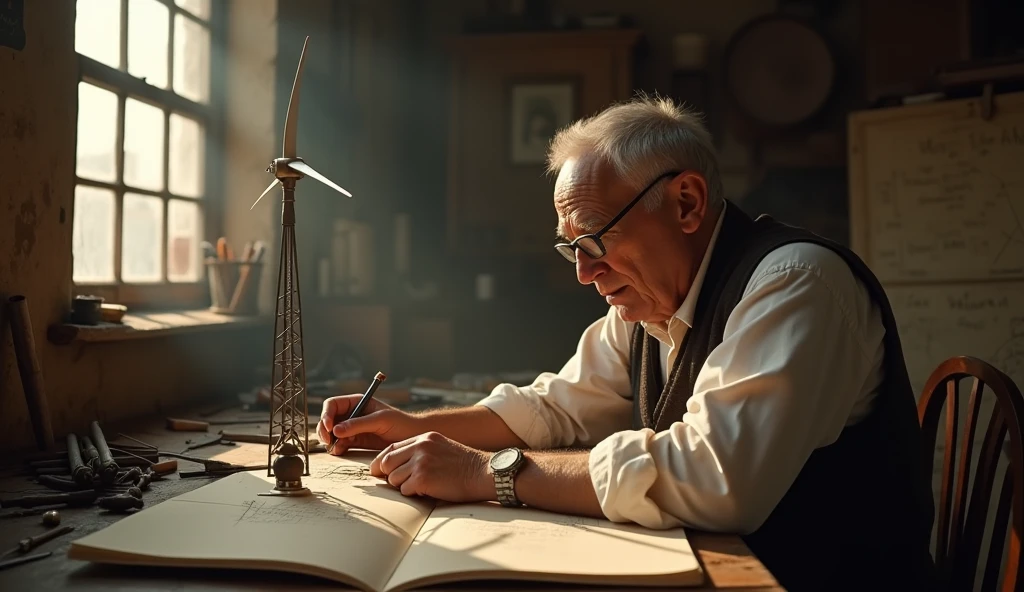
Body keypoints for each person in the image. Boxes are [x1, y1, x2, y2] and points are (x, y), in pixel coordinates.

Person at [317, 95, 938, 591]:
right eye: (572, 248)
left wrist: (486, 472)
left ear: (686, 202)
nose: (584, 273)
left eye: (596, 240)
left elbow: (714, 481)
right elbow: (555, 409)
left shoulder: (796, 282)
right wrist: (408, 427)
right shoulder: (651, 302)